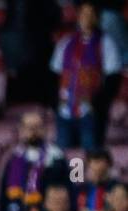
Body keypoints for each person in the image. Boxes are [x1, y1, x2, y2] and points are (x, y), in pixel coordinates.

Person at [50, 1, 122, 150]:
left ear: (97, 18)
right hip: (65, 110)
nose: (86, 19)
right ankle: (70, 174)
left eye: (90, 15)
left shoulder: (106, 43)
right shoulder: (66, 42)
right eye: (83, 14)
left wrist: (98, 103)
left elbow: (113, 77)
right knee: (63, 154)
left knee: (89, 154)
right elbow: (54, 73)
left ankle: (82, 175)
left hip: (90, 112)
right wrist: (55, 101)